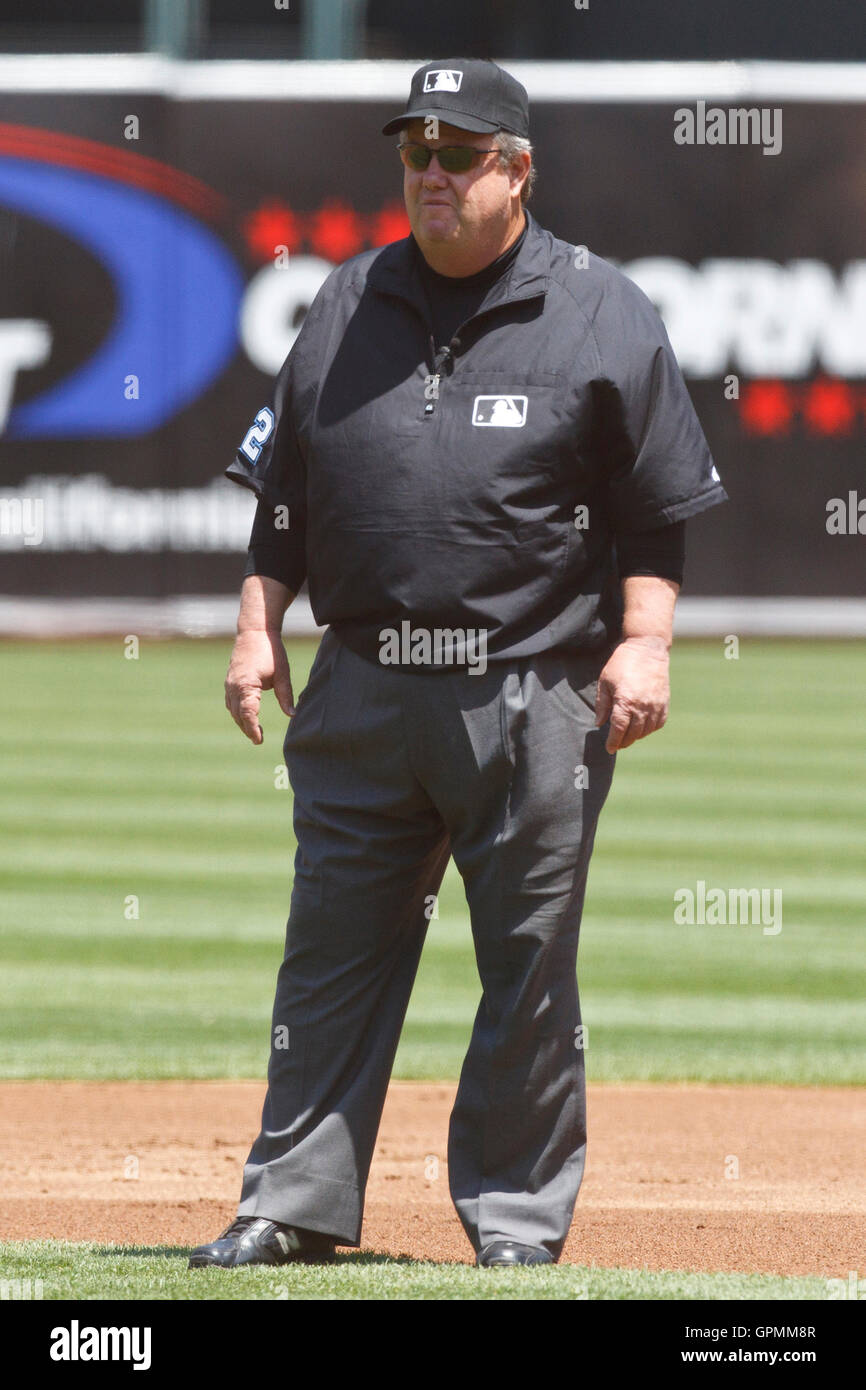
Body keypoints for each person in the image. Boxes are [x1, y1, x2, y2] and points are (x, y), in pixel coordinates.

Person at [189, 57, 727, 1271]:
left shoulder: (601, 310)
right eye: (414, 151)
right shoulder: (342, 301)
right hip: (365, 681)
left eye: (458, 152)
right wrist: (256, 619)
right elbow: (284, 492)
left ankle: (515, 1223)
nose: (430, 173)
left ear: (515, 169)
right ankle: (294, 1202)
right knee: (329, 953)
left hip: (531, 687)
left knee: (527, 966)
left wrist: (643, 643)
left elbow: (654, 511)